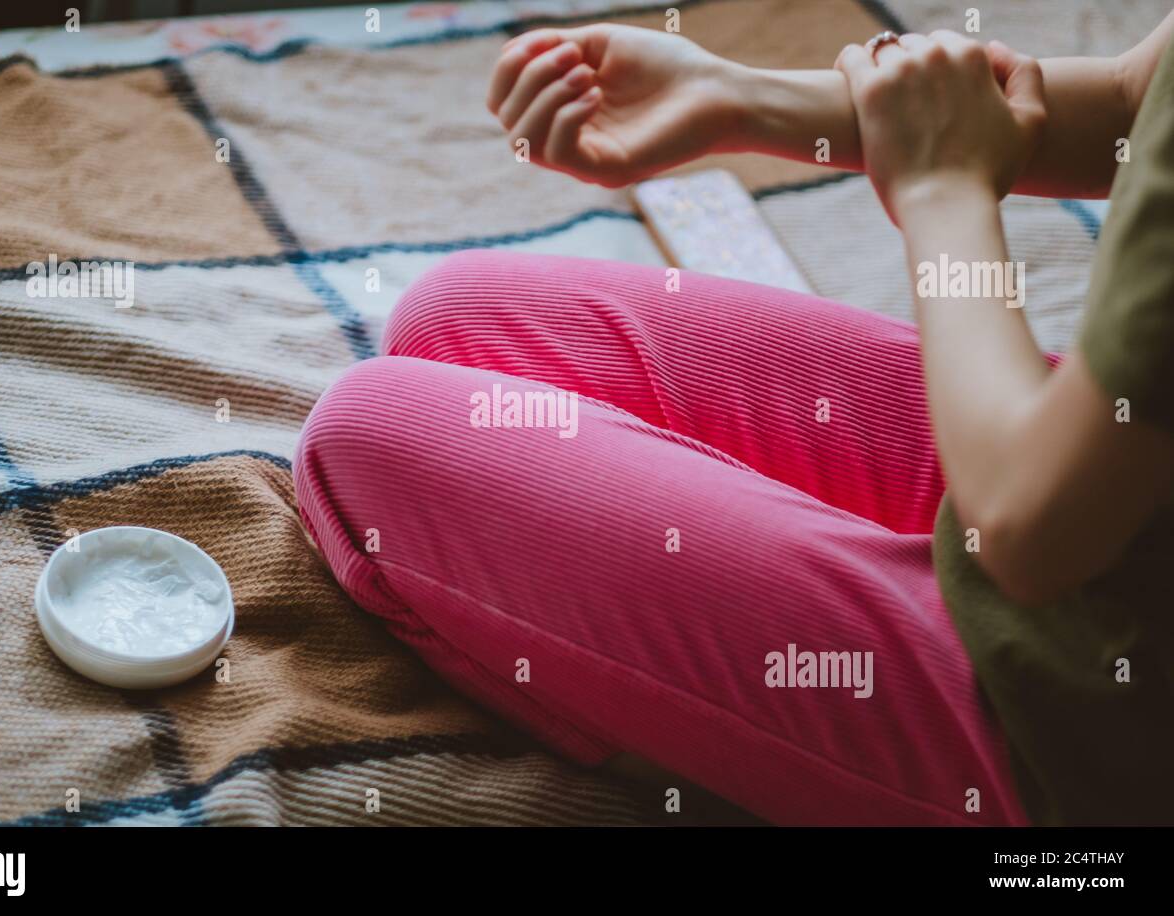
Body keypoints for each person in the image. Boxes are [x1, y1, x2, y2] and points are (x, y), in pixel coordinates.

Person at [294, 13, 1174, 825]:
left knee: (362, 444)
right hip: (1107, 468)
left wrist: (943, 192)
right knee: (459, 318)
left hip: (1077, 729)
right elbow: (1143, 102)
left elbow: (1030, 531)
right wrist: (736, 97)